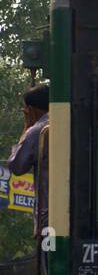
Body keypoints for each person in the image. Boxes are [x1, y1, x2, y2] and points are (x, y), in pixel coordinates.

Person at [8, 83, 49, 238]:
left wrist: (27, 127)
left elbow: (16, 166)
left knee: (50, 259)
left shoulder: (37, 131)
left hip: (48, 219)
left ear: (31, 110)